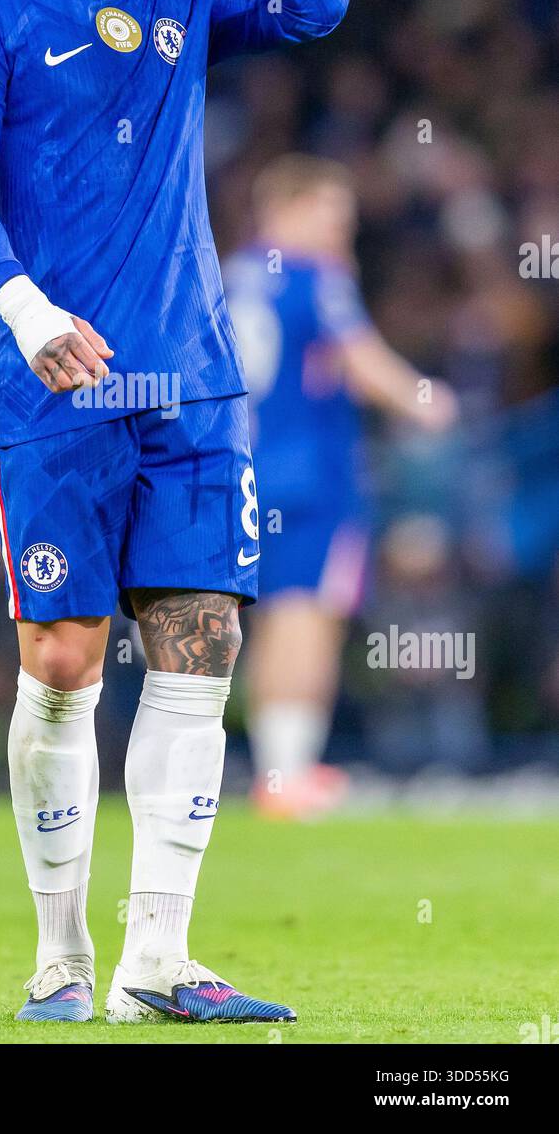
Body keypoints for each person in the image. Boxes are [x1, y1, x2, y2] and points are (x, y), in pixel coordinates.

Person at [0, 0, 348, 1024]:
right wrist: (27, 308)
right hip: (57, 381)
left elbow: (316, 6)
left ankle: (154, 960)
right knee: (60, 660)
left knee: (199, 651)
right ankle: (57, 954)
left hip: (194, 384)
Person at [224, 155, 458, 820]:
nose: (340, 232)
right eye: (330, 216)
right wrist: (426, 400)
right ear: (286, 209)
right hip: (311, 477)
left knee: (268, 621)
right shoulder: (316, 278)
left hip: (243, 476)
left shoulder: (233, 275)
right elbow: (360, 359)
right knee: (306, 616)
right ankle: (288, 774)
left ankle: (274, 768)